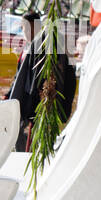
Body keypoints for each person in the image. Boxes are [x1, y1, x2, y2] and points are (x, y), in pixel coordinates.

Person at [6, 11, 77, 151]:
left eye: (25, 27)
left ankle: (32, 155)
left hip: (37, 104)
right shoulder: (27, 49)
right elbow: (19, 77)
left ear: (34, 27)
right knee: (17, 133)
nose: (23, 31)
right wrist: (8, 94)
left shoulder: (50, 49)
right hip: (25, 102)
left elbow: (60, 79)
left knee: (33, 136)